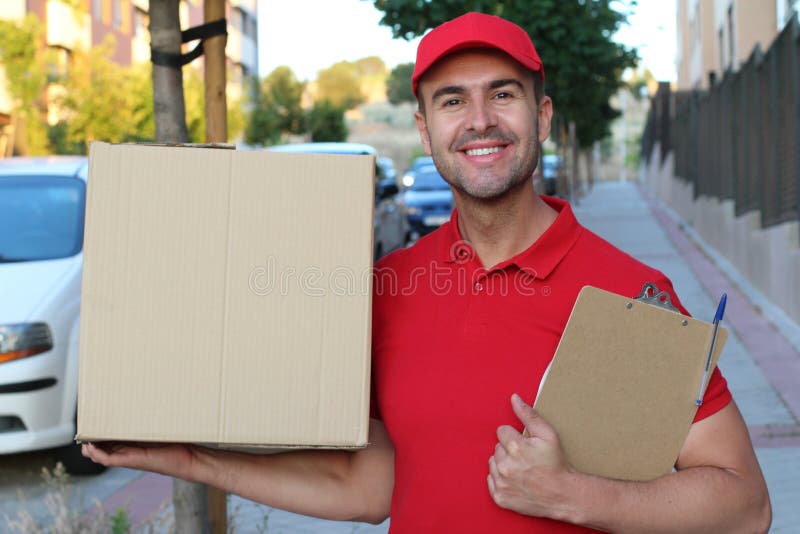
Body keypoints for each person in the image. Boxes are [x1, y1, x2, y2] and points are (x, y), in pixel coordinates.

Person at [83, 12, 771, 533]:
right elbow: (371, 486)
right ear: (423, 127)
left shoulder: (628, 294)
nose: (479, 121)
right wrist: (189, 462)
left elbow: (744, 504)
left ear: (542, 114)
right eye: (451, 101)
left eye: (503, 94)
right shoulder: (390, 287)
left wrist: (576, 495)